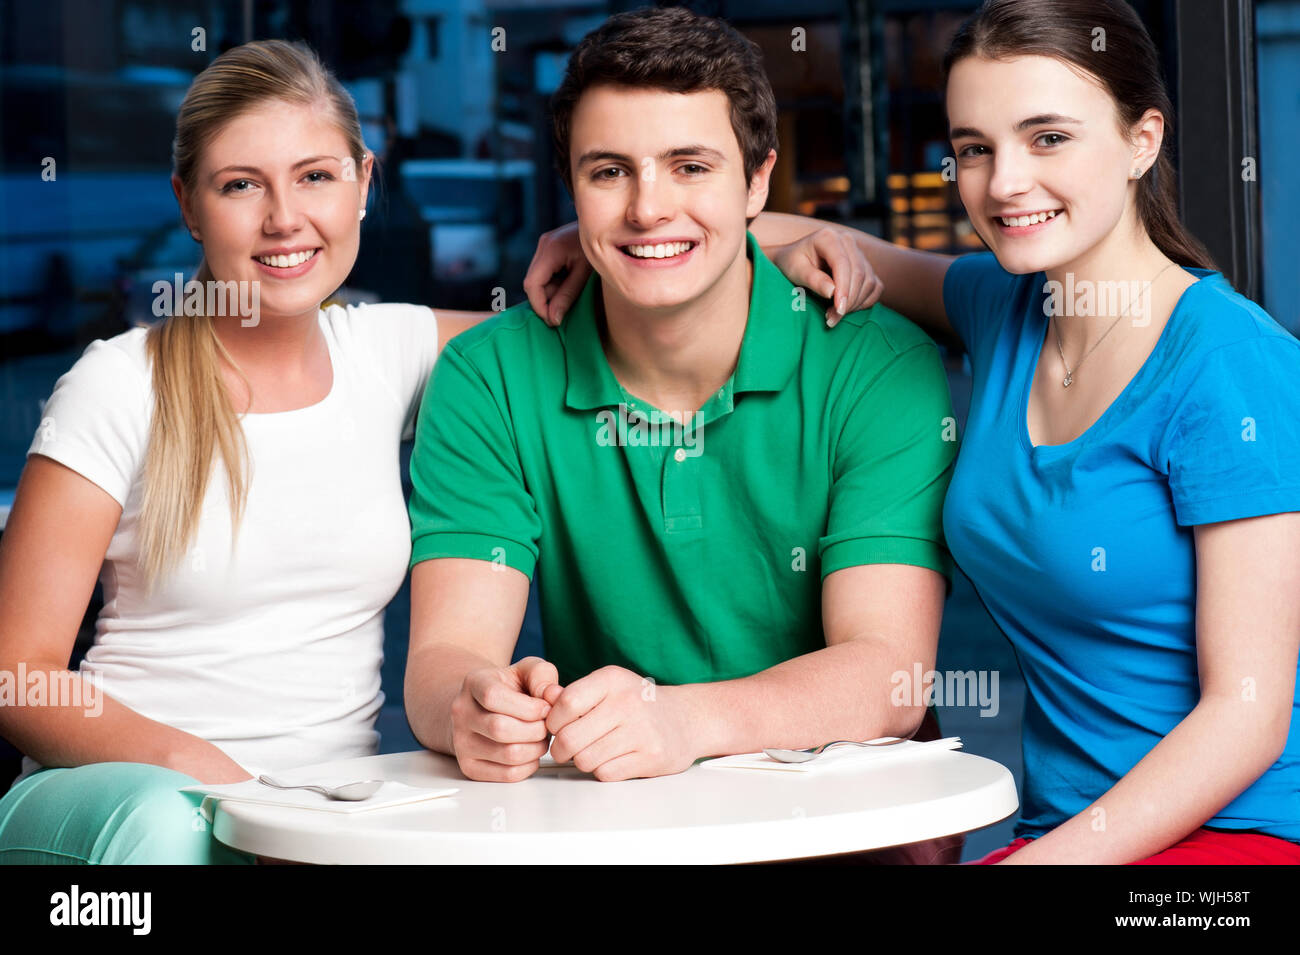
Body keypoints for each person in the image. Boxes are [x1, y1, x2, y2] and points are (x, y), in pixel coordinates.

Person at [0, 38, 875, 865]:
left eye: (315, 177)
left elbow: (631, 295)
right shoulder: (120, 384)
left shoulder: (394, 351)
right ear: (189, 203)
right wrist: (208, 775)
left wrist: (712, 236)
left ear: (362, 186)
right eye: (240, 186)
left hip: (324, 810)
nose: (284, 219)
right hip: (117, 802)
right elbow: (17, 676)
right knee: (172, 829)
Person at [527, 0, 1300, 865]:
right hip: (1064, 832)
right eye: (975, 148)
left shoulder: (1233, 365)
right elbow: (755, 230)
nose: (1004, 181)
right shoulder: (1002, 306)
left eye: (1048, 138)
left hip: (1240, 840)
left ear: (1141, 140)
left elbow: (1251, 714)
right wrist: (612, 231)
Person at [404, 6, 964, 863]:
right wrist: (472, 709)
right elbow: (446, 654)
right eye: (608, 172)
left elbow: (889, 670)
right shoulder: (490, 375)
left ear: (757, 182)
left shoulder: (879, 366)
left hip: (847, 827)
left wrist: (686, 717)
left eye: (690, 165)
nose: (647, 207)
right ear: (571, 189)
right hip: (621, 821)